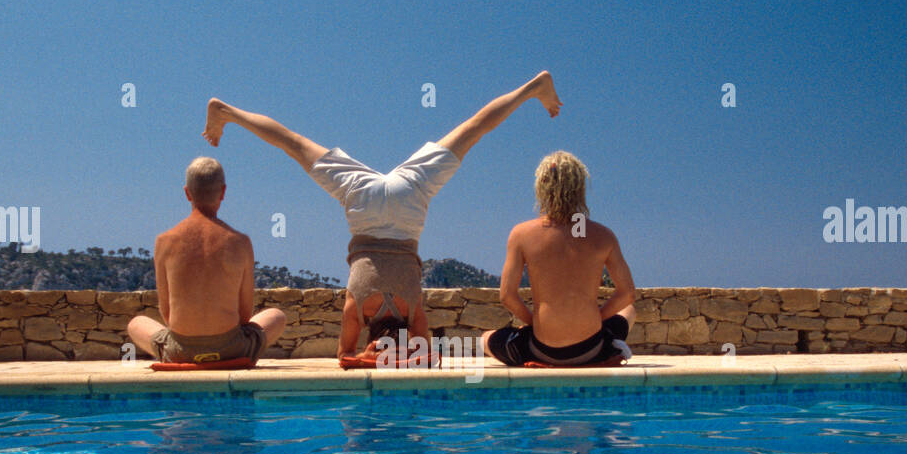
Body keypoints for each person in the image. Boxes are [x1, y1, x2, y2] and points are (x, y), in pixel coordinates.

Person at [200, 71, 562, 359]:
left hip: (407, 205)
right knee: (294, 145)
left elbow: (428, 356)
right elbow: (345, 354)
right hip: (365, 206)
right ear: (370, 333)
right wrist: (362, 358)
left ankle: (532, 88)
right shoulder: (358, 309)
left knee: (471, 130)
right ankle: (228, 113)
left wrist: (396, 356)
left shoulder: (412, 307)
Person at [481, 151, 637, 366]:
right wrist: (596, 319)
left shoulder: (522, 234)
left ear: (542, 188)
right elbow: (627, 294)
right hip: (592, 348)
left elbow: (507, 296)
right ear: (580, 188)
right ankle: (610, 344)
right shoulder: (601, 234)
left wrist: (533, 323)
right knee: (628, 311)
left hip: (543, 349)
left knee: (485, 339)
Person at [127, 157, 286, 364]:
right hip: (234, 350)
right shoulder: (240, 242)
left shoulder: (164, 241)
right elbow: (245, 315)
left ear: (187, 193)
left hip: (180, 351)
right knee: (277, 316)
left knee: (136, 323)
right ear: (223, 192)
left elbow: (167, 315)